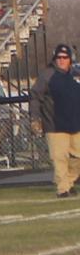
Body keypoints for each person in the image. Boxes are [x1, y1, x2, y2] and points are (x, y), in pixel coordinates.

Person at [30, 45, 80, 197]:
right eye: (58, 58)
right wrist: (35, 118)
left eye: (64, 58)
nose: (61, 60)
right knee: (59, 158)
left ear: (70, 59)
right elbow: (35, 97)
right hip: (55, 124)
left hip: (76, 123)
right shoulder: (47, 75)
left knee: (77, 157)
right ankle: (63, 189)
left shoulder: (75, 75)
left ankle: (69, 182)